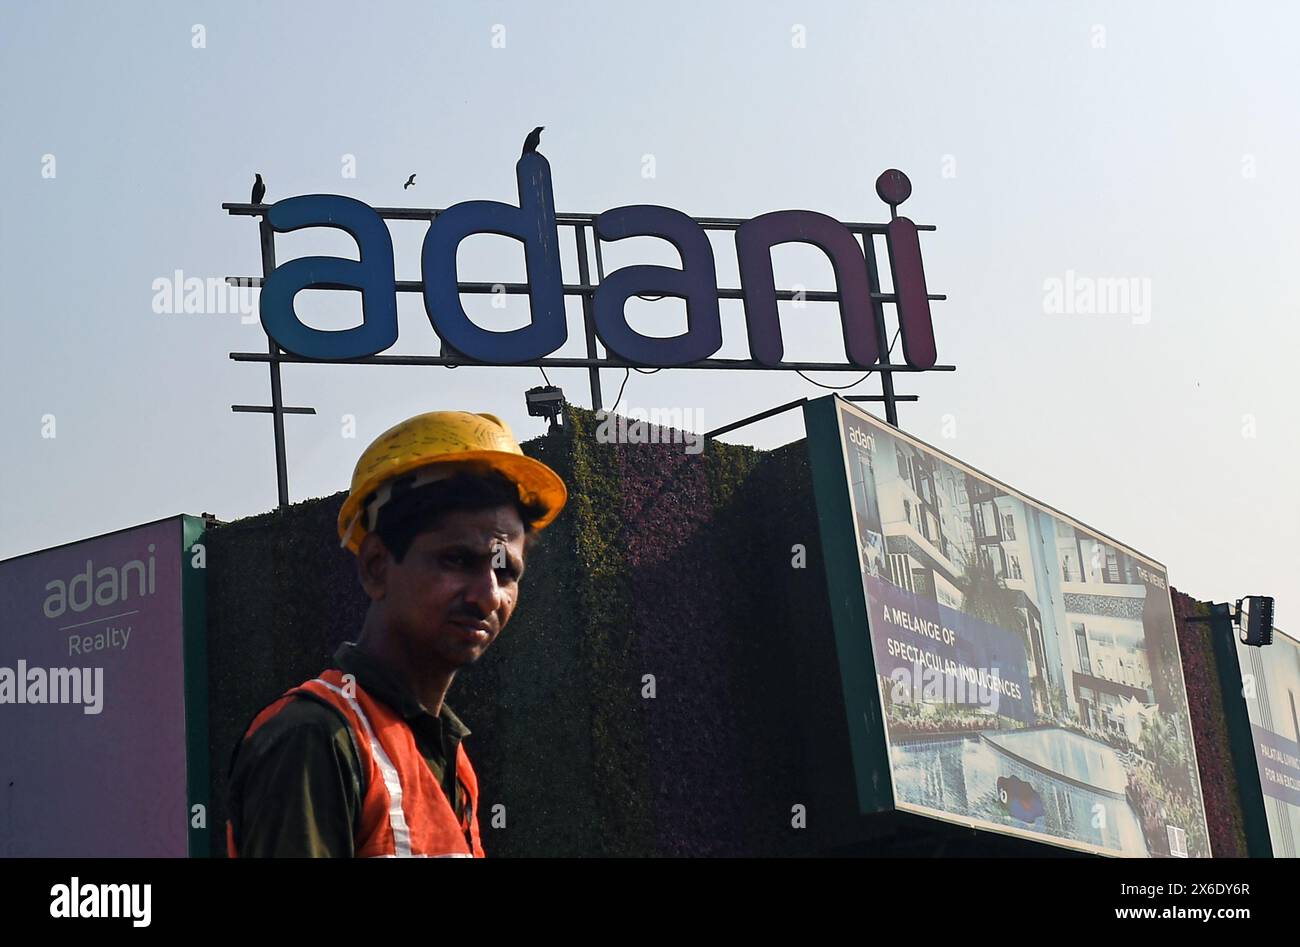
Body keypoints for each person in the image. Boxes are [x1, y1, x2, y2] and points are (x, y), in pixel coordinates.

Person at [225, 411, 567, 857]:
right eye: (458, 560)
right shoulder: (314, 737)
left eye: (506, 571)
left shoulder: (452, 760)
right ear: (376, 567)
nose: (488, 595)